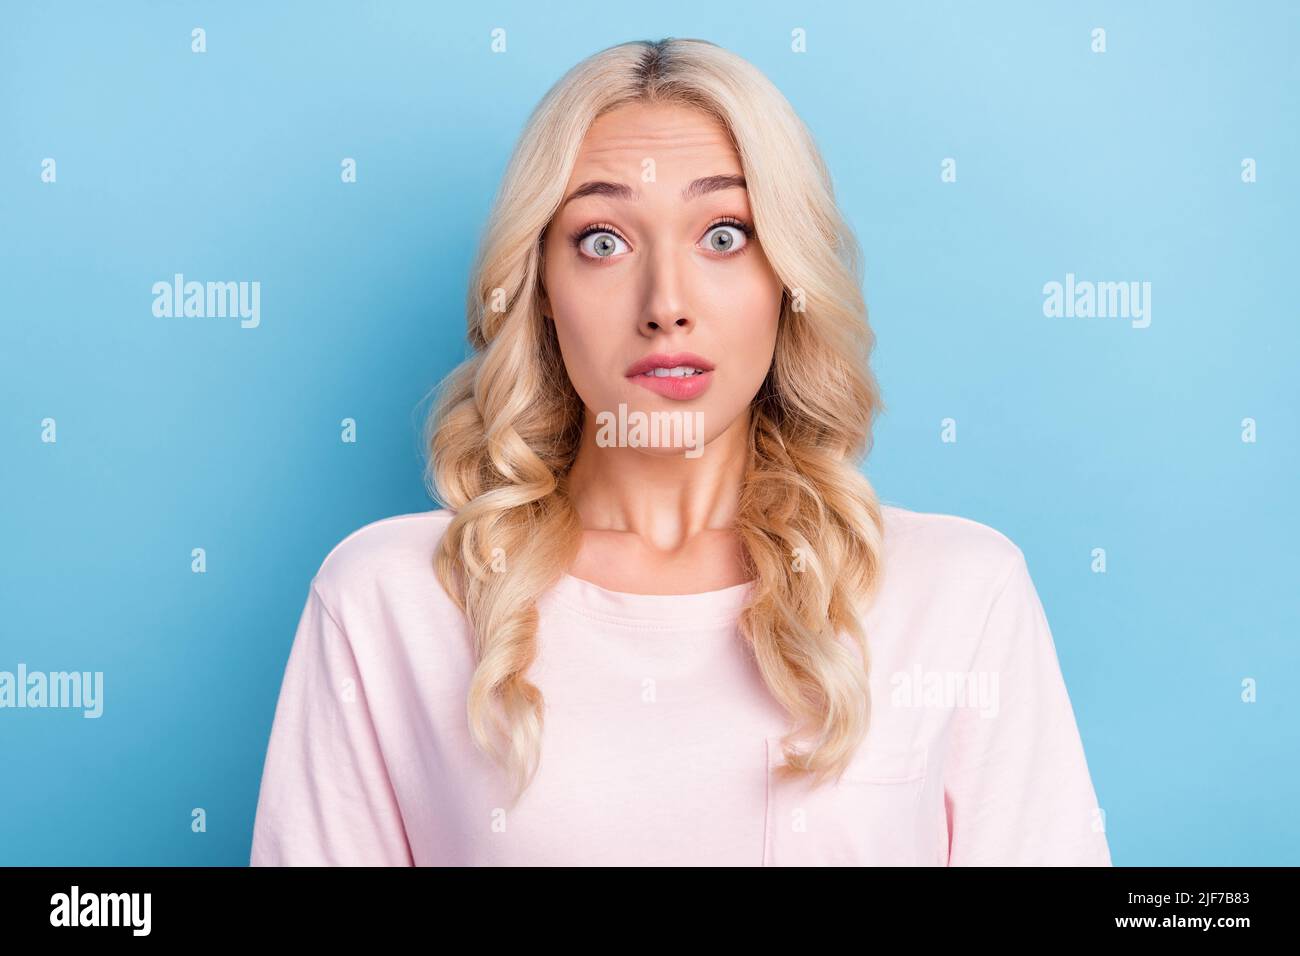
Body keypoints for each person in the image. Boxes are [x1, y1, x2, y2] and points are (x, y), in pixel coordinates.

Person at [249, 37, 1111, 866]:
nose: (667, 303)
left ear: (789, 277)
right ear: (542, 288)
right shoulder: (387, 601)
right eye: (603, 240)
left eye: (724, 234)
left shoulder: (959, 593)